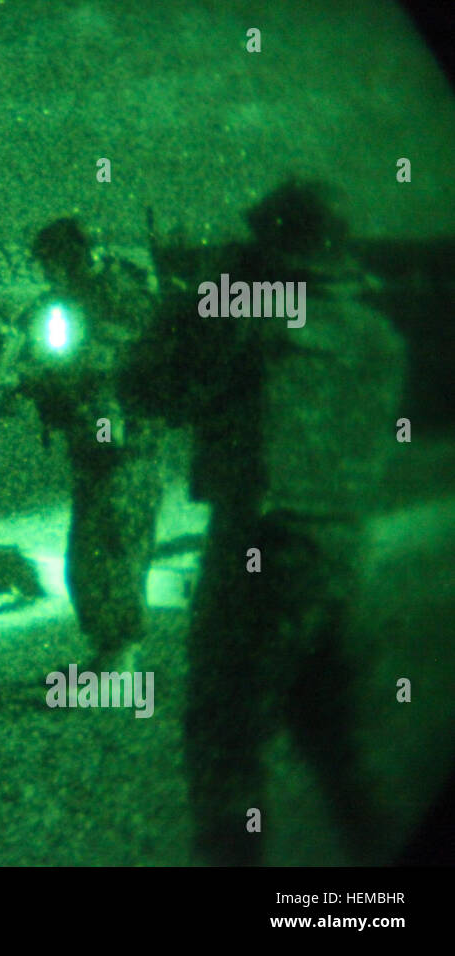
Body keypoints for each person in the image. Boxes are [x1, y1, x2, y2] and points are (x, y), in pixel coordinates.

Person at [142, 180, 405, 864]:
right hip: (346, 558)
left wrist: (190, 301)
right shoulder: (376, 335)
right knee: (348, 757)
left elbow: (145, 386)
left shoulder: (253, 326)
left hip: (259, 553)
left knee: (228, 752)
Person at [24, 218, 166, 677]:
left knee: (114, 544)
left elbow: (108, 365)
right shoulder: (75, 297)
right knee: (92, 548)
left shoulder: (119, 294)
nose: (46, 273)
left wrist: (54, 376)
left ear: (75, 256)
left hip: (125, 444)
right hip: (94, 442)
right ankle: (110, 653)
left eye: (51, 262)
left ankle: (120, 660)